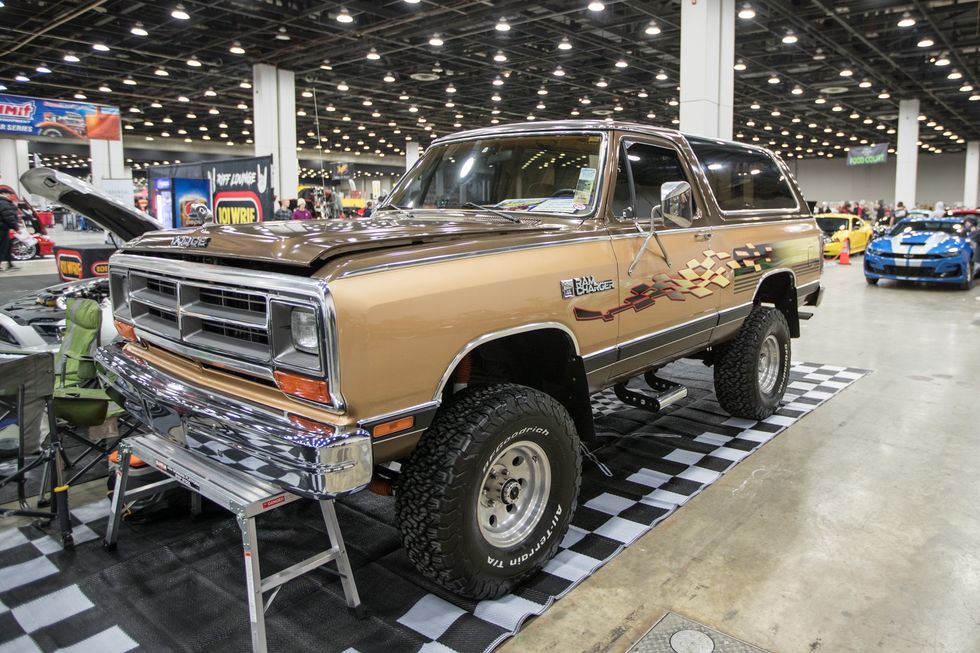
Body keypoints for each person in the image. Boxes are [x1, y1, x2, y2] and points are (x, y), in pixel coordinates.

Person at [0, 189, 19, 271]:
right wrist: (16, 227)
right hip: (2, 229)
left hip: (4, 228)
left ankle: (10, 264)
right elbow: (8, 217)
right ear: (3, 194)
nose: (10, 195)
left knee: (8, 246)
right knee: (2, 247)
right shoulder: (4, 203)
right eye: (9, 194)